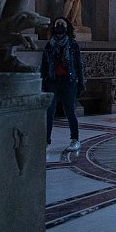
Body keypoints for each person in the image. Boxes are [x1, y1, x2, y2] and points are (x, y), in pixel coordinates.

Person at [41, 17, 85, 152]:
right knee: (49, 112)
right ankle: (46, 141)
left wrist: (81, 83)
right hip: (53, 81)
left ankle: (75, 139)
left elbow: (78, 65)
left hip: (68, 81)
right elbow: (44, 64)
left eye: (62, 24)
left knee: (70, 111)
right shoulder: (49, 45)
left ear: (67, 27)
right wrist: (43, 81)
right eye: (57, 24)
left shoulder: (72, 45)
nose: (59, 26)